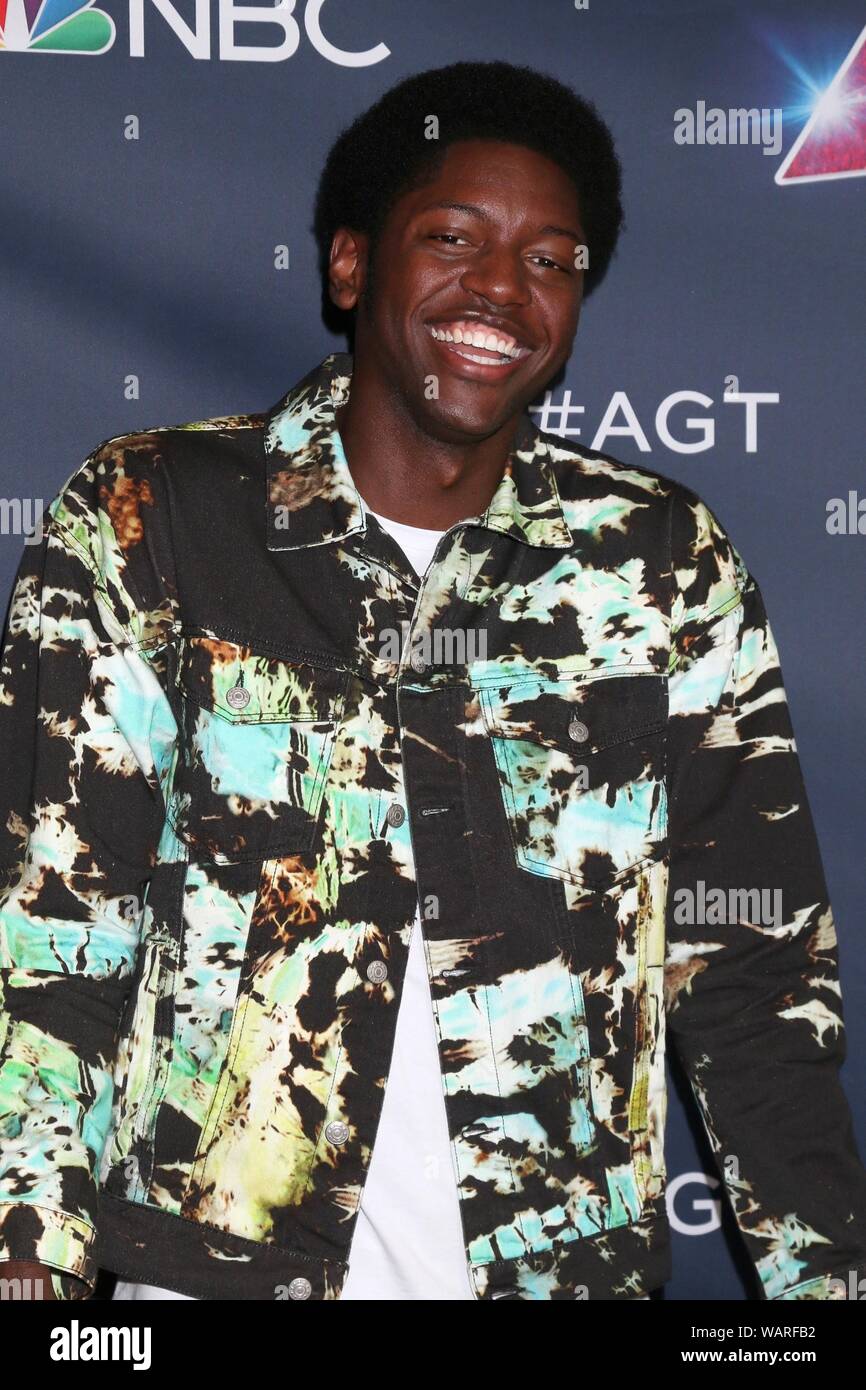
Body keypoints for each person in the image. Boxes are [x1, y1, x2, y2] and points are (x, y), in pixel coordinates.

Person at [1, 60, 864, 1304]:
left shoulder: (660, 563)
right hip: (215, 1279)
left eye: (550, 260)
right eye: (453, 237)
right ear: (351, 266)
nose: (500, 290)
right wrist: (30, 1256)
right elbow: (55, 927)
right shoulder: (155, 517)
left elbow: (751, 972)